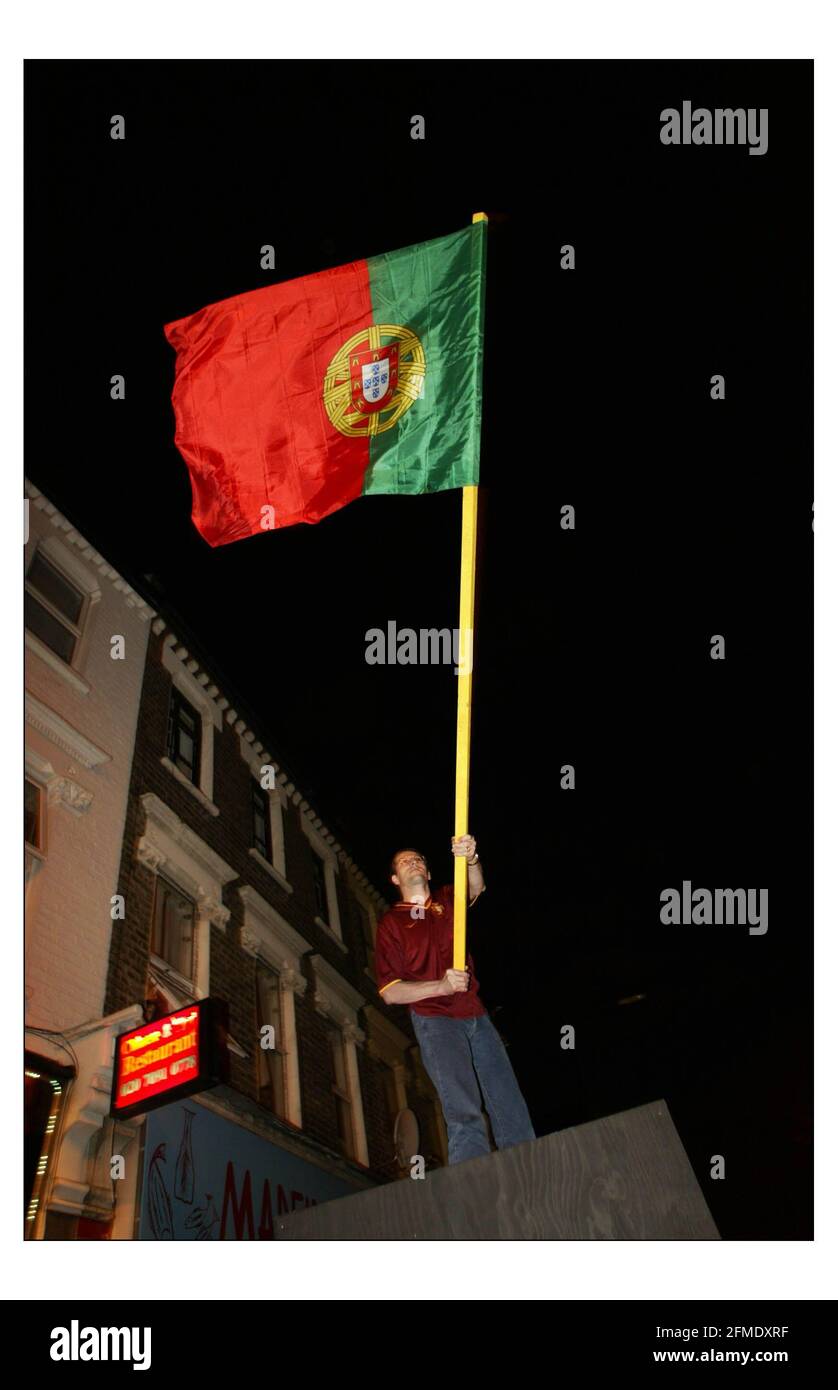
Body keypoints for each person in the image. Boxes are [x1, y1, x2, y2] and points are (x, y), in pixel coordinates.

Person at [375, 834, 536, 1165]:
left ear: (429, 873)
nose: (414, 863)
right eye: (404, 862)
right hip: (435, 1020)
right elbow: (391, 992)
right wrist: (440, 987)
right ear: (395, 879)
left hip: (475, 1014)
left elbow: (475, 887)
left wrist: (472, 858)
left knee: (508, 1101)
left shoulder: (447, 899)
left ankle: (531, 1166)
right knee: (463, 1110)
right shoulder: (391, 923)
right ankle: (471, 1184)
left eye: (418, 859)